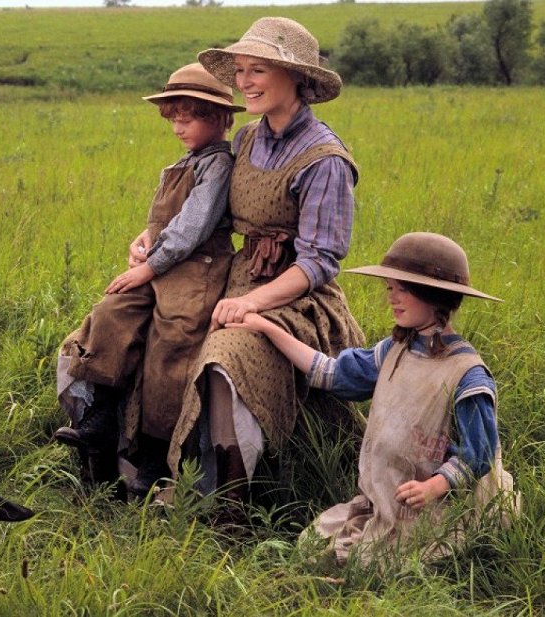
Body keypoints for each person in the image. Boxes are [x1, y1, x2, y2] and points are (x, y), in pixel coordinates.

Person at [129, 17, 364, 503]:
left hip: (297, 298)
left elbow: (319, 262)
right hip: (236, 277)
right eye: (239, 70)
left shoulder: (325, 161)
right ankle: (133, 453)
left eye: (257, 70)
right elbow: (209, 209)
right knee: (154, 319)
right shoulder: (246, 139)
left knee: (224, 355)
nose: (243, 83)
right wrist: (150, 239)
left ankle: (221, 498)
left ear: (296, 78)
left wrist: (253, 304)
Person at [228, 232, 519, 563]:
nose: (392, 298)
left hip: (437, 507)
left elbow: (477, 455)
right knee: (310, 546)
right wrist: (267, 327)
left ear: (433, 295)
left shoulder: (467, 374)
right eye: (390, 289)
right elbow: (331, 373)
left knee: (370, 565)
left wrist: (433, 487)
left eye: (403, 290)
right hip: (384, 498)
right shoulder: (393, 351)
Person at [55, 63, 245, 496]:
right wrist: (144, 241)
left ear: (218, 118)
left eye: (190, 116)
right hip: (161, 261)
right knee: (110, 314)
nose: (179, 125)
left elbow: (194, 225)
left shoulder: (217, 164)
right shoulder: (182, 163)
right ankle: (98, 418)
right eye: (174, 116)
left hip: (196, 269)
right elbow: (164, 222)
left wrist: (148, 265)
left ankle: (156, 457)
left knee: (172, 346)